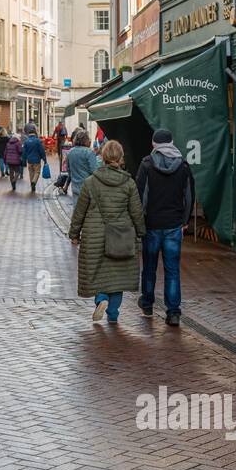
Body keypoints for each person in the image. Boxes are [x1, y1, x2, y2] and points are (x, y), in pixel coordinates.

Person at [69, 140, 144, 324]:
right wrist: (141, 232)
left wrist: (74, 234)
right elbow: (136, 211)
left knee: (98, 272)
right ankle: (113, 313)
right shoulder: (129, 183)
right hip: (120, 236)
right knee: (117, 276)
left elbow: (80, 211)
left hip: (95, 235)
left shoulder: (90, 182)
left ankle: (101, 299)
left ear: (102, 157)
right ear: (121, 158)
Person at [135, 128, 195, 327]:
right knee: (172, 270)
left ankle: (147, 303)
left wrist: (140, 222)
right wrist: (184, 221)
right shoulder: (184, 166)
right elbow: (189, 196)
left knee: (149, 268)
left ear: (154, 144)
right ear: (171, 142)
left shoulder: (146, 164)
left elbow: (140, 196)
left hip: (151, 225)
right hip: (173, 226)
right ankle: (173, 312)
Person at [65, 128, 100, 199]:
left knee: (77, 208)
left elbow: (68, 170)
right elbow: (94, 171)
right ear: (86, 140)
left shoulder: (70, 152)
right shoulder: (89, 152)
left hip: (75, 187)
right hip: (88, 188)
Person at [21, 124, 46, 192]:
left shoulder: (26, 142)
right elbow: (42, 151)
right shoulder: (38, 141)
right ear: (35, 134)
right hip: (37, 160)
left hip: (29, 160)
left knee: (31, 173)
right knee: (37, 172)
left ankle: (32, 185)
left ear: (29, 134)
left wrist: (24, 160)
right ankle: (34, 182)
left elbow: (24, 152)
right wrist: (44, 159)